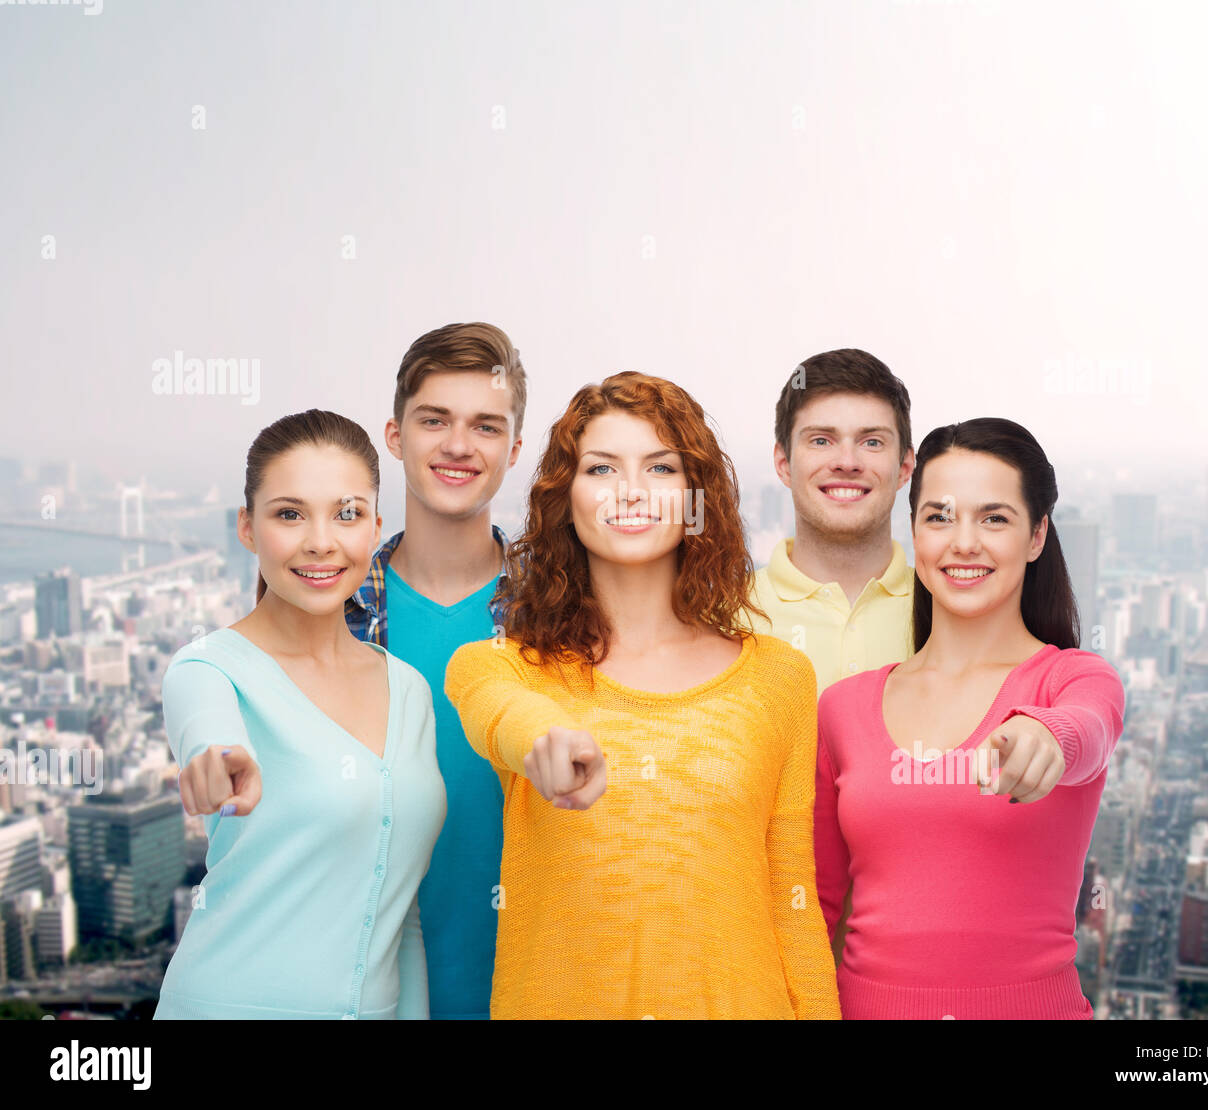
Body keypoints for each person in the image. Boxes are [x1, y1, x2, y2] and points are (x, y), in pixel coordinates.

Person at [445, 372, 840, 1019]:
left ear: (695, 497)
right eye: (601, 469)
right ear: (564, 499)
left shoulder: (780, 677)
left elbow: (790, 902)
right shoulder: (503, 670)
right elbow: (506, 716)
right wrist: (548, 739)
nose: (630, 492)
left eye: (659, 468)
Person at [814, 417, 1125, 1019]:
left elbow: (1088, 727)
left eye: (994, 518)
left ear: (1036, 536)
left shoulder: (1072, 681)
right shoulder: (842, 708)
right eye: (939, 516)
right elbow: (814, 905)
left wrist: (1047, 735)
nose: (963, 543)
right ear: (913, 532)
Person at [156, 410, 445, 1020]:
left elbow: (401, 911)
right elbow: (210, 737)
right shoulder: (207, 671)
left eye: (347, 514)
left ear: (374, 528)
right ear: (247, 527)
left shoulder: (411, 692)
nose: (321, 540)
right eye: (290, 514)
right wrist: (220, 763)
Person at [343, 322, 524, 1020]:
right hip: (368, 997)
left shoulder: (565, 613)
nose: (457, 445)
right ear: (394, 436)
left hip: (538, 988)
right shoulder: (332, 606)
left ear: (512, 451)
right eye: (434, 420)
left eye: (485, 426)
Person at [746, 348, 916, 696]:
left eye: (872, 441)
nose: (847, 461)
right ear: (783, 464)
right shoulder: (720, 617)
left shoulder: (951, 611)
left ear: (904, 468)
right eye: (821, 440)